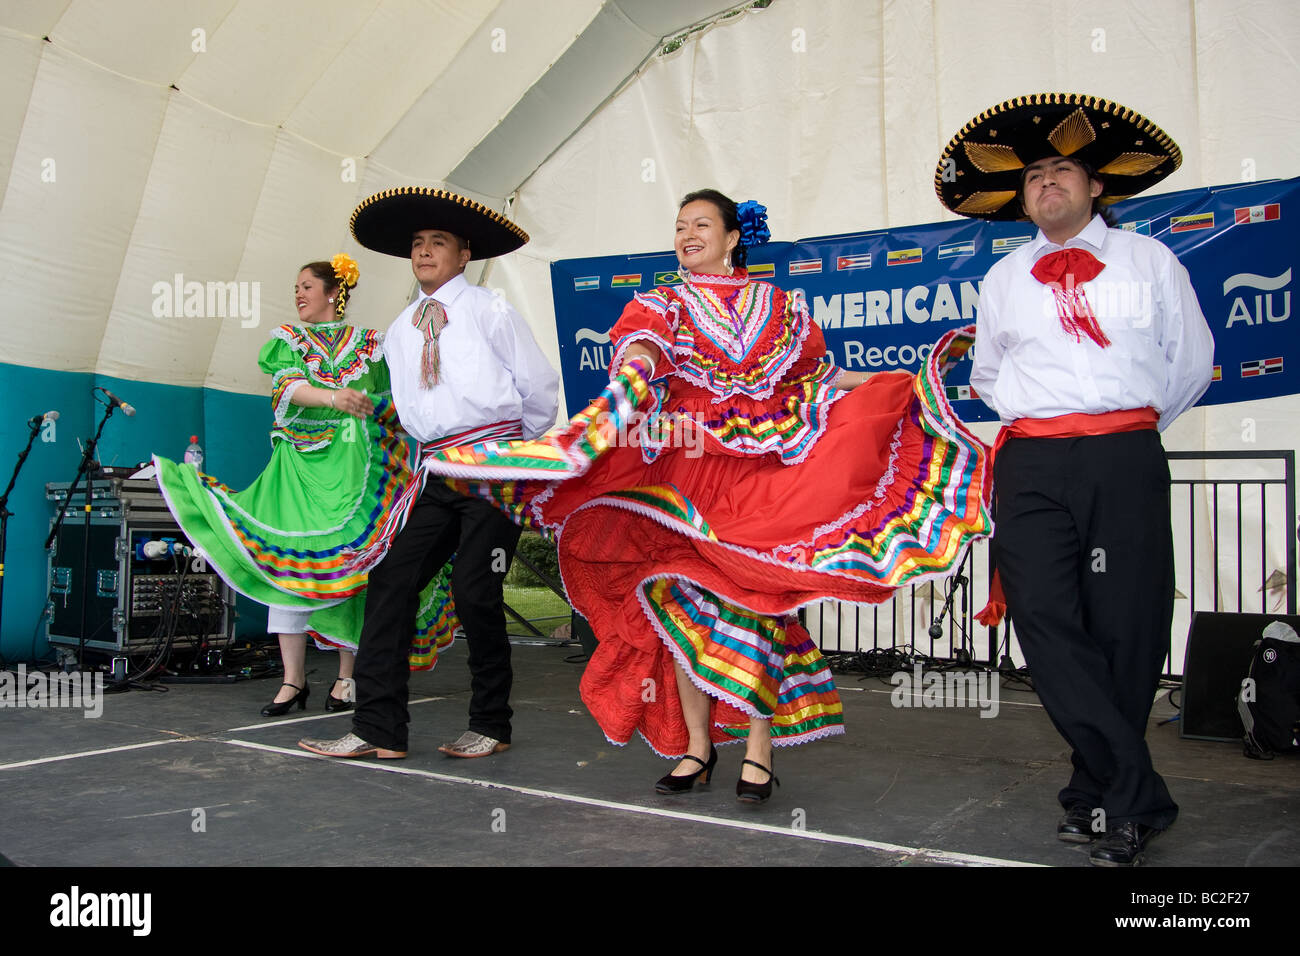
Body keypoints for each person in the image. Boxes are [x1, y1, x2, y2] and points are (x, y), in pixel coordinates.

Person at [423, 189, 993, 801]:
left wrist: (896, 381)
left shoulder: (780, 305)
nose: (687, 235)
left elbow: (818, 377)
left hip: (764, 472)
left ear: (730, 238)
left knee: (758, 600)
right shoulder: (661, 302)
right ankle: (697, 747)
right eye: (679, 226)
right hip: (684, 468)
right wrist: (618, 397)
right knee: (675, 600)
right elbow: (640, 357)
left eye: (700, 225)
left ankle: (758, 750)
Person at [935, 93, 1215, 865]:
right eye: (1033, 177)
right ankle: (1134, 792)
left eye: (1062, 170)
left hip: (1122, 454)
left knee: (1125, 626)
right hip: (1030, 462)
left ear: (1097, 187)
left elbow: (1189, 363)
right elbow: (990, 376)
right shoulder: (1003, 280)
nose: (1045, 184)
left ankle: (1099, 795)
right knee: (1045, 621)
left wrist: (1124, 433)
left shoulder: (1150, 261)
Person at [299, 187, 560, 761]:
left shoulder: (491, 310)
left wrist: (512, 452)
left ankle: (490, 721)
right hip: (437, 471)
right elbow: (408, 407)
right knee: (390, 582)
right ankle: (377, 730)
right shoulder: (398, 330)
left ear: (463, 255)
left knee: (475, 589)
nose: (423, 252)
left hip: (493, 469)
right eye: (417, 244)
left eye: (437, 242)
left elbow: (539, 389)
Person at [154, 256, 456, 716]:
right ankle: (292, 681)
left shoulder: (372, 345)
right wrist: (336, 397)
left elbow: (396, 397)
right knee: (286, 566)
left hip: (357, 467)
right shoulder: (289, 340)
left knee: (357, 566)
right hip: (298, 468)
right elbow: (287, 389)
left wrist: (378, 408)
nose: (298, 294)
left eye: (306, 286)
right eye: (296, 287)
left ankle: (347, 677)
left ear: (334, 292)